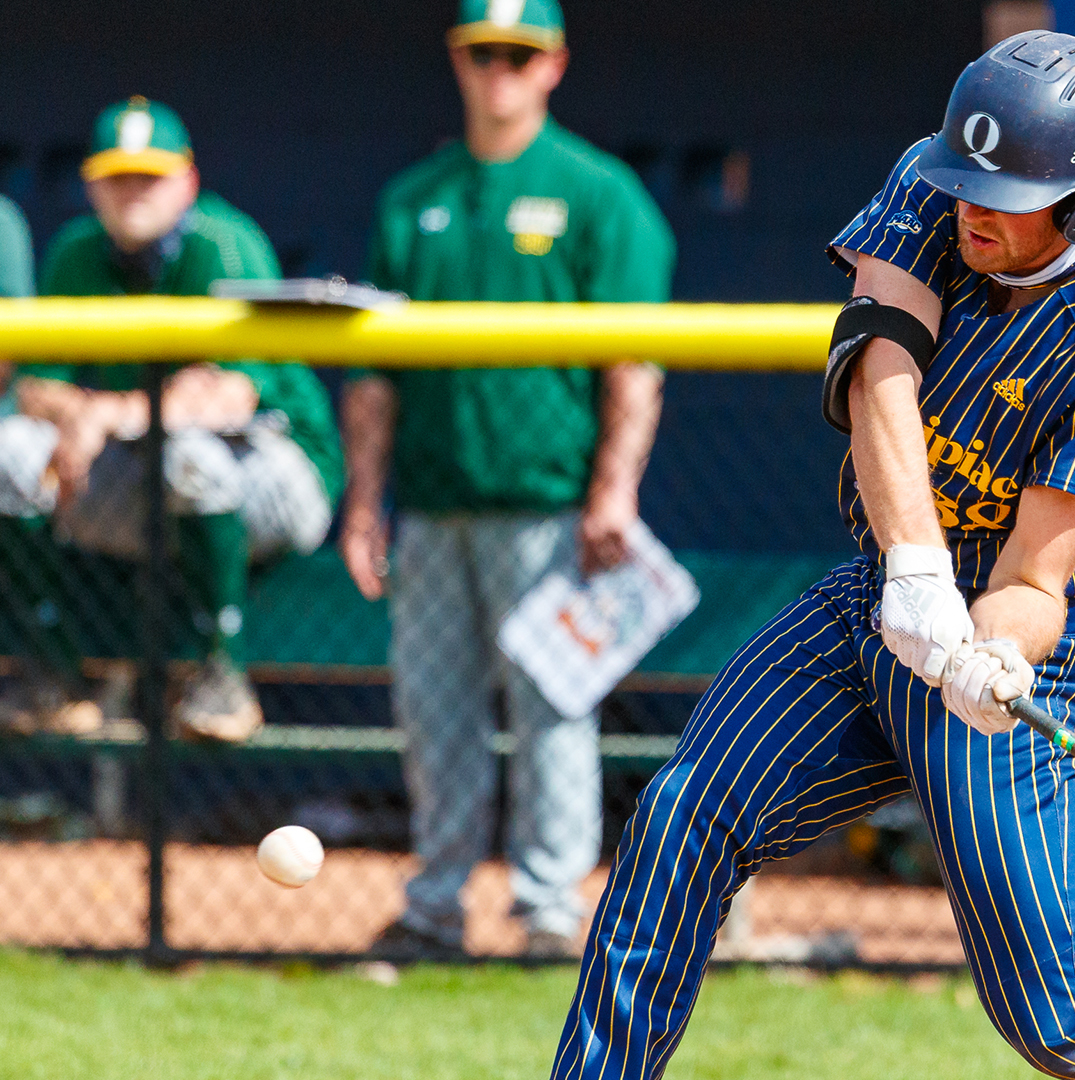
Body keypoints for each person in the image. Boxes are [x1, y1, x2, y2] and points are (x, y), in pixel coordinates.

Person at [550, 31, 1075, 1080]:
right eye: (967, 180)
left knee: (1059, 1021)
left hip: (1022, 664)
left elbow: (1037, 578)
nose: (974, 206)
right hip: (877, 600)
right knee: (680, 821)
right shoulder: (937, 182)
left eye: (1009, 192)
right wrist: (917, 570)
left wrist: (992, 653)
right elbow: (883, 357)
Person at [341, 0, 674, 961]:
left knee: (554, 708)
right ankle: (436, 906)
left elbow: (634, 365)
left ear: (553, 66)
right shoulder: (417, 196)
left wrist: (613, 489)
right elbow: (372, 378)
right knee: (432, 712)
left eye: (518, 56)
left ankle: (548, 910)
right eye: (484, 53)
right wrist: (365, 499)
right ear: (457, 59)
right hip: (435, 500)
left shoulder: (597, 191)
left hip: (548, 502)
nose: (499, 71)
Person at [0, 96, 341, 741]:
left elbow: (227, 398)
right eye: (117, 177)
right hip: (149, 483)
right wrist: (84, 415)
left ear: (188, 181)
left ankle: (222, 673)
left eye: (150, 177)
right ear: (91, 185)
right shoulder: (78, 253)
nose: (133, 192)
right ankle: (51, 670)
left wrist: (105, 416)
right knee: (10, 451)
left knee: (190, 450)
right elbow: (34, 388)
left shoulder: (223, 240)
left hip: (275, 481)